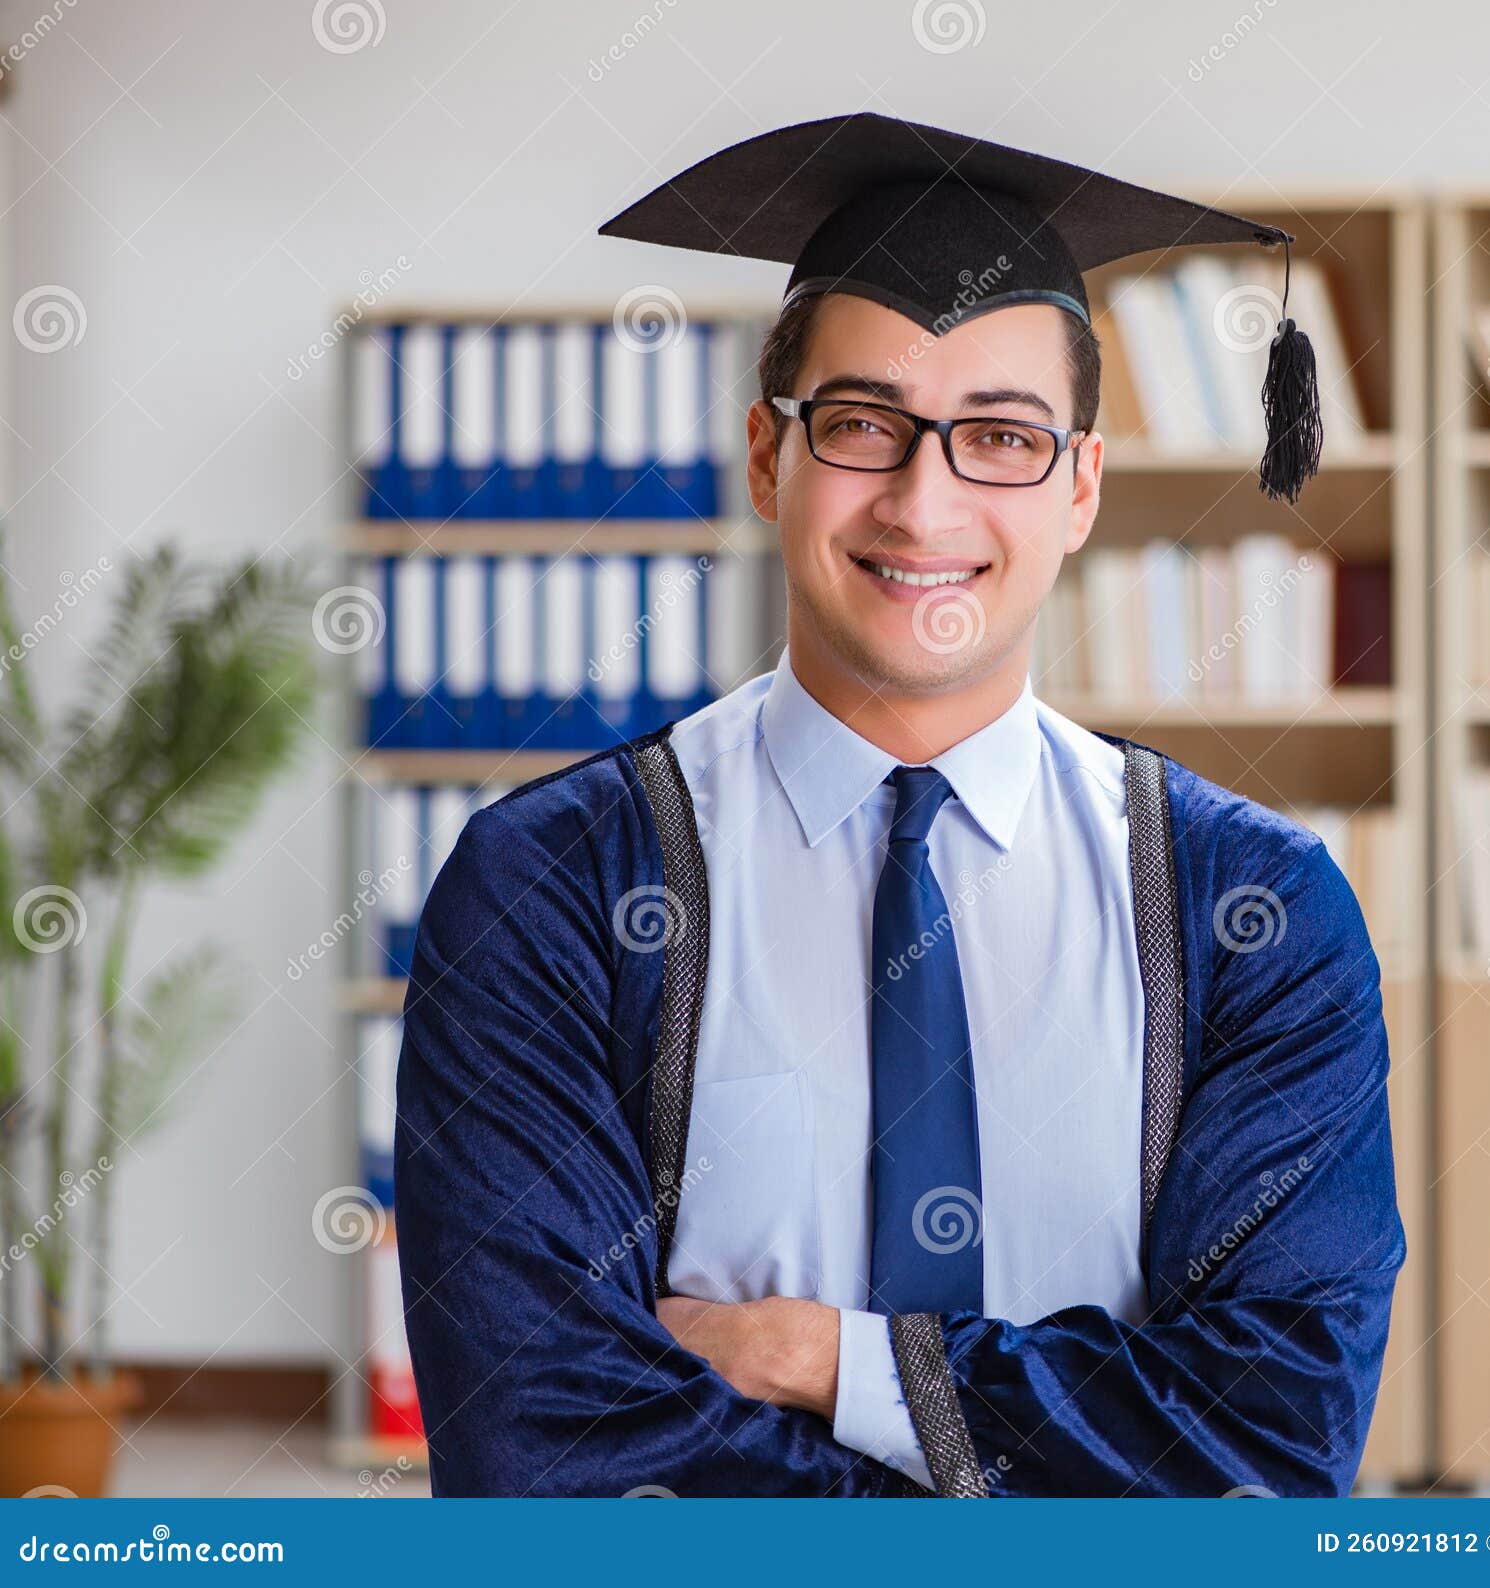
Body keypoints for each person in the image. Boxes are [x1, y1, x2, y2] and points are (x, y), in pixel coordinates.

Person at [393, 112, 1404, 1498]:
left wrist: (823, 1360)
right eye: (864, 426)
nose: (923, 506)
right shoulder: (555, 882)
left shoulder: (1255, 916)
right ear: (767, 457)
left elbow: (1269, 1446)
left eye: (1001, 437)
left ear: (1082, 489)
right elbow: (542, 1447)